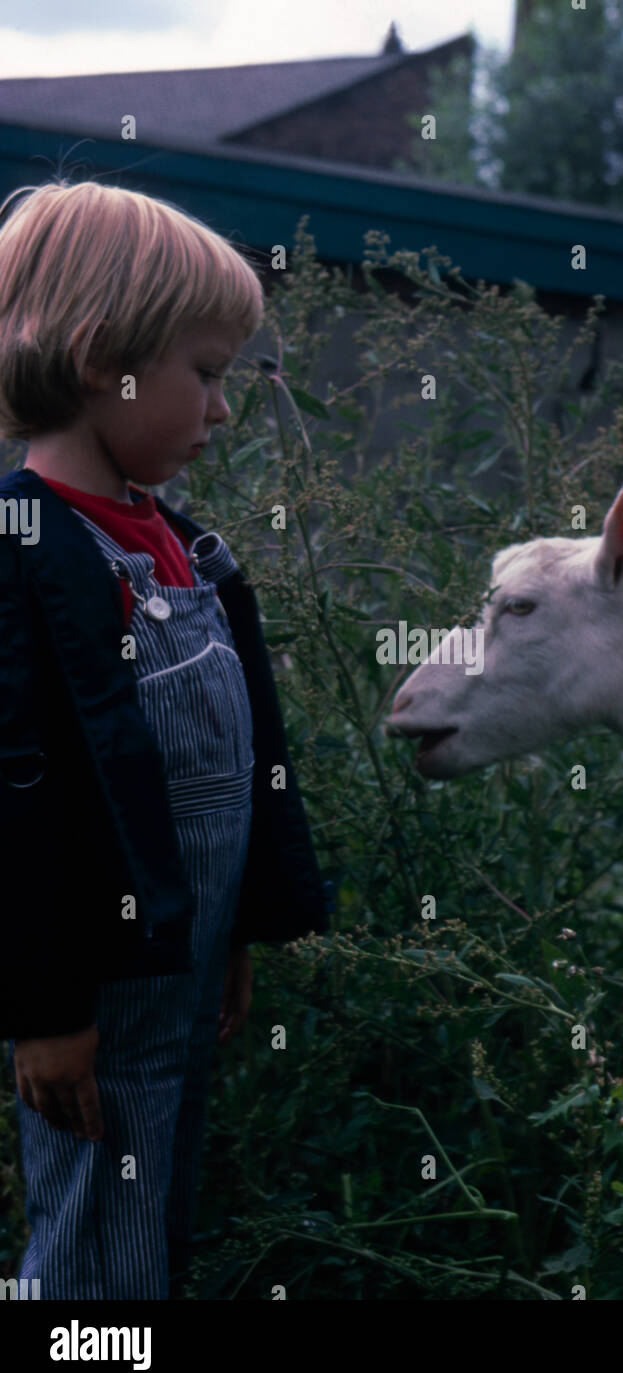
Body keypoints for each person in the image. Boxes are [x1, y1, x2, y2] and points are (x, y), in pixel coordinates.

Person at [0, 178, 330, 1300]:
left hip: (176, 978)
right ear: (105, 361)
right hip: (87, 1001)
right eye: (208, 374)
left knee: (155, 1206)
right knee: (92, 1230)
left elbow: (241, 761)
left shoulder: (183, 546)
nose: (222, 412)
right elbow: (19, 799)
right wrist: (42, 1008)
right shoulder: (27, 555)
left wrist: (234, 922)